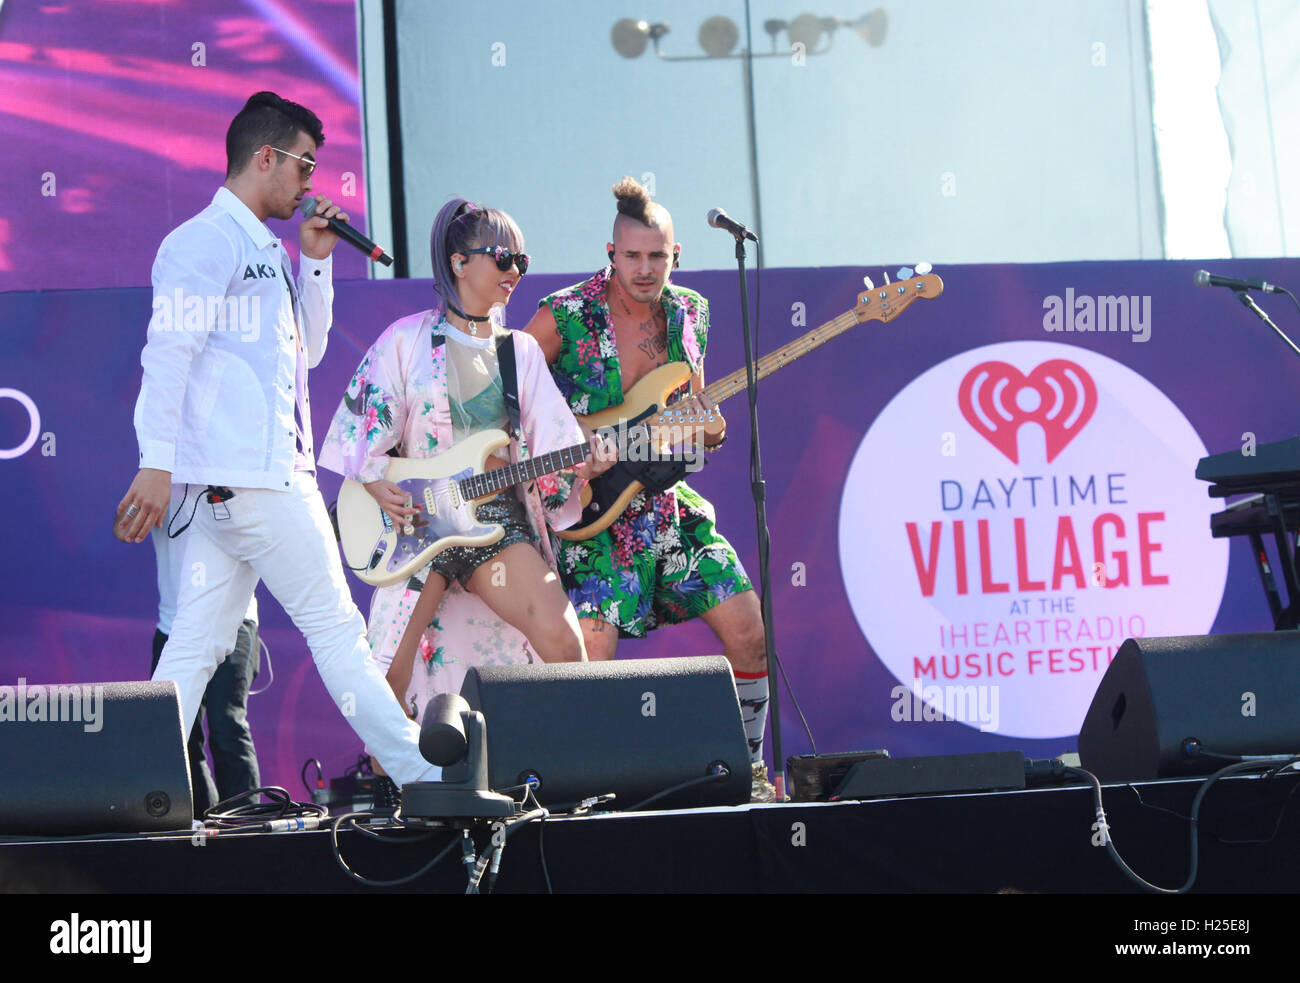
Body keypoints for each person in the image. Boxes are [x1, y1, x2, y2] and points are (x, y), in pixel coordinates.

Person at [115, 91, 440, 789]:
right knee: (336, 630)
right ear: (264, 156)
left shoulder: (265, 246)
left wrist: (316, 262)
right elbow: (167, 351)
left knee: (194, 649)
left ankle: (126, 786)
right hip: (254, 480)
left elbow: (312, 350)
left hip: (238, 486)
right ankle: (418, 773)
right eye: (304, 166)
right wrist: (155, 461)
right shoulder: (206, 240)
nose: (310, 185)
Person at [523, 177, 775, 801]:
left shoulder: (692, 312)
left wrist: (707, 433)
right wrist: (568, 448)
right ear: (610, 253)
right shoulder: (564, 314)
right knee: (592, 656)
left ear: (677, 255)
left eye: (656, 256)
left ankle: (749, 772)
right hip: (588, 509)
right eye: (631, 256)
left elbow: (689, 410)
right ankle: (579, 794)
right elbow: (506, 397)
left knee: (749, 628)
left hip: (662, 503)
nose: (643, 268)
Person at [319, 198, 612, 722]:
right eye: (504, 258)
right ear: (459, 261)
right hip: (417, 520)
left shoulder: (519, 351)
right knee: (388, 674)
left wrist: (584, 466)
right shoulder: (405, 340)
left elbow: (556, 451)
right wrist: (377, 477)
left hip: (495, 520)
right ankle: (398, 792)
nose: (515, 272)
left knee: (565, 642)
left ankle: (573, 776)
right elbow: (356, 434)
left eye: (523, 261)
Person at [151, 485, 261, 816]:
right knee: (179, 736)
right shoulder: (160, 478)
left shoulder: (225, 475)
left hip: (234, 621)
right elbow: (122, 527)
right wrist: (139, 503)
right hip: (171, 627)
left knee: (226, 724)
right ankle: (199, 824)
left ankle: (245, 827)